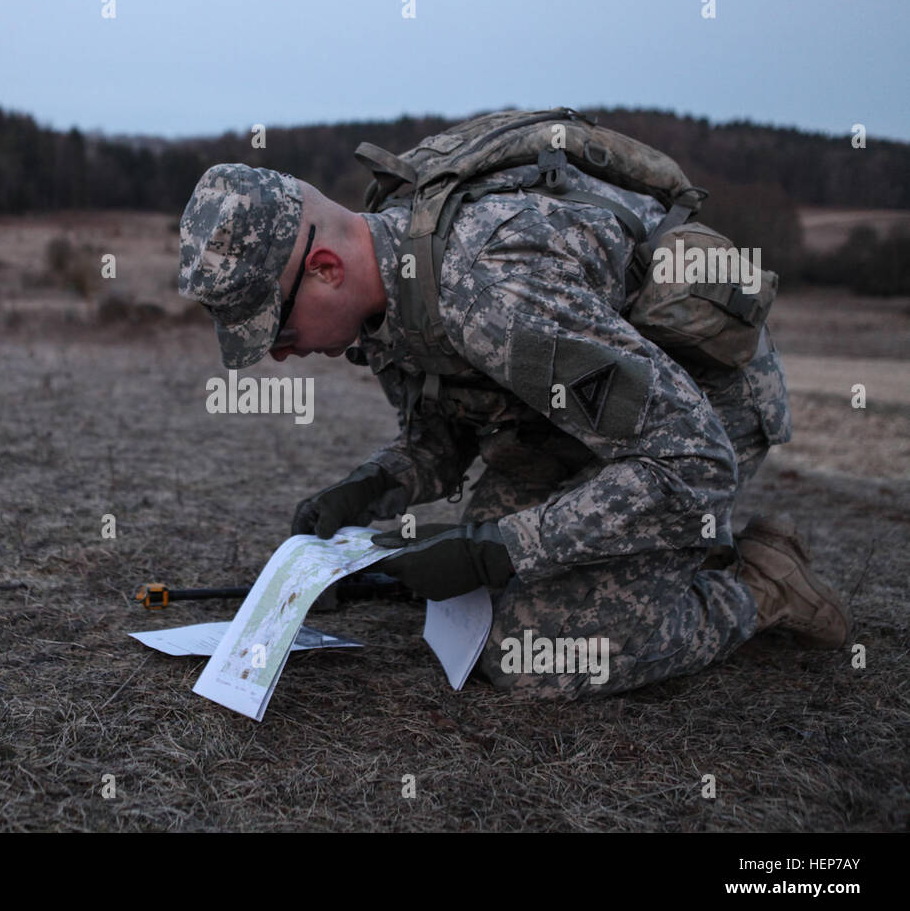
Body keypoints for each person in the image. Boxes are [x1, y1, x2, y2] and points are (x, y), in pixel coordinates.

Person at [177, 161, 851, 700]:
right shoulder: (389, 297)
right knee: (487, 606)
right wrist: (373, 486)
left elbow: (690, 460)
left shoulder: (491, 291)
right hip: (575, 426)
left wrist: (493, 548)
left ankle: (762, 585)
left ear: (326, 270)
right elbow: (450, 428)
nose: (282, 355)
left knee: (534, 654)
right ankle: (660, 556)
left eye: (281, 331)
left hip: (705, 414)